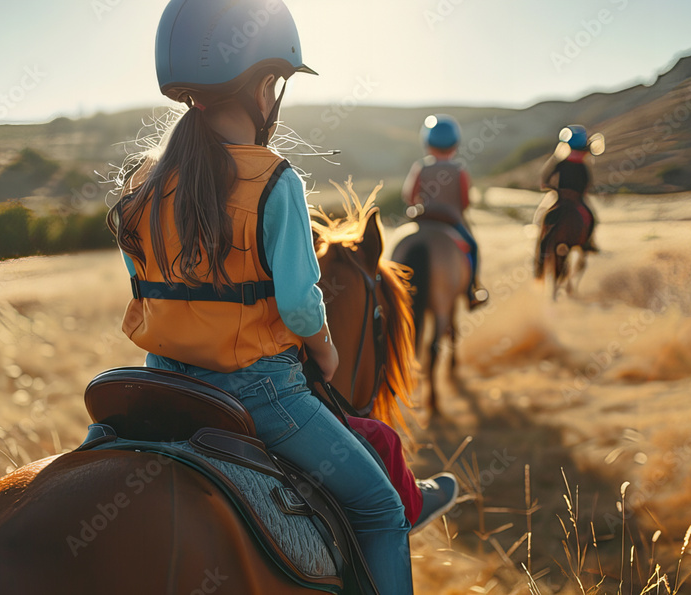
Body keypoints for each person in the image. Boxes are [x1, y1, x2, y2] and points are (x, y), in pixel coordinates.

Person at [107, 1, 456, 591]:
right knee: (381, 509)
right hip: (259, 390)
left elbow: (142, 276)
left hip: (158, 379)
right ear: (265, 85)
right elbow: (298, 303)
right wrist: (325, 350)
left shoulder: (144, 181)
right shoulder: (275, 179)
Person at [402, 114, 489, 309]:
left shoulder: (420, 167)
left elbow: (409, 197)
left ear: (427, 142)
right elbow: (465, 202)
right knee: (473, 247)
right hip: (452, 220)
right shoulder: (459, 170)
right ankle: (472, 291)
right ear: (455, 143)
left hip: (423, 219)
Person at [535, 124, 600, 254]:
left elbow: (546, 176)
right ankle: (588, 242)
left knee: (541, 215)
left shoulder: (560, 162)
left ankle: (540, 238)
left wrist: (547, 185)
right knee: (590, 218)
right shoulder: (582, 164)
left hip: (559, 196)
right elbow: (587, 182)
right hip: (577, 198)